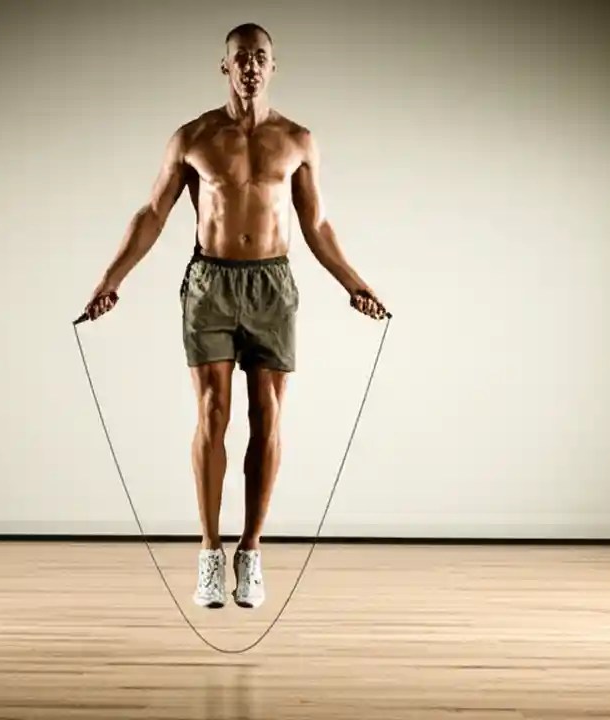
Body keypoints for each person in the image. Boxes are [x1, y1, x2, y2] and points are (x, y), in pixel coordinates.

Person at [81, 22, 388, 609]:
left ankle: (250, 552)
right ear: (225, 66)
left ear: (273, 66)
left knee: (267, 417)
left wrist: (355, 284)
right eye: (241, 57)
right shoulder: (194, 137)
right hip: (211, 283)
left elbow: (316, 224)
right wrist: (110, 280)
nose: (251, 66)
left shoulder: (297, 140)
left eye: (260, 57)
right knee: (212, 413)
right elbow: (152, 213)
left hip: (272, 283)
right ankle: (208, 552)